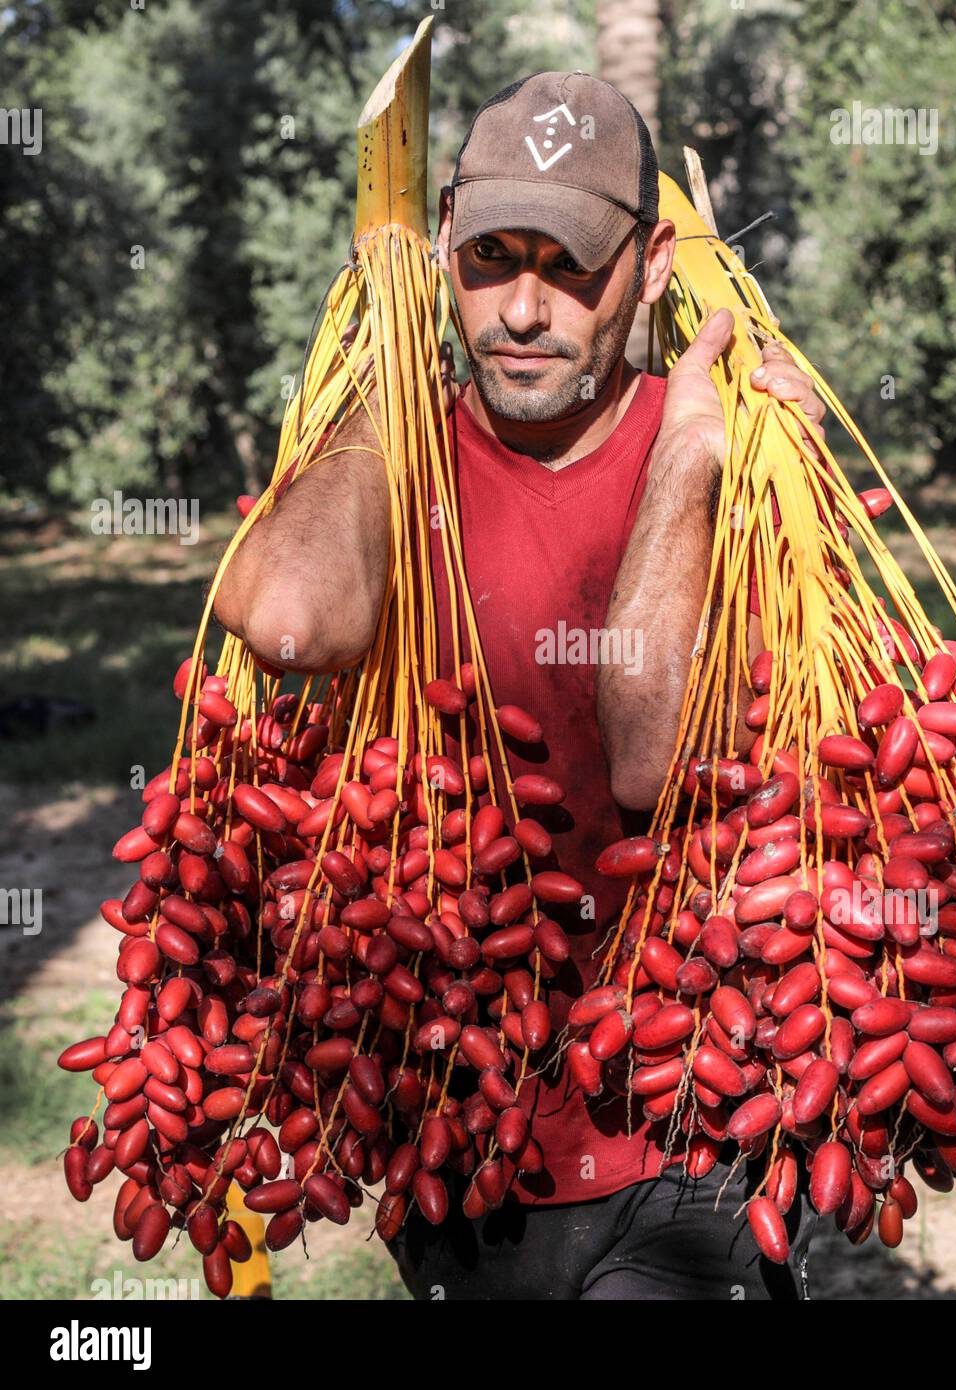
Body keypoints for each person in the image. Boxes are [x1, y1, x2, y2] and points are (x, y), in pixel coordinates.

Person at [215, 70, 827, 1300]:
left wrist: (694, 453)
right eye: (490, 257)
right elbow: (282, 624)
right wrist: (387, 370)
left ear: (653, 267)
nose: (524, 310)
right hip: (461, 1129)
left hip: (690, 1123)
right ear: (441, 247)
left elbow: (653, 757)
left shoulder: (738, 456)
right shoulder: (387, 462)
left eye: (570, 266)